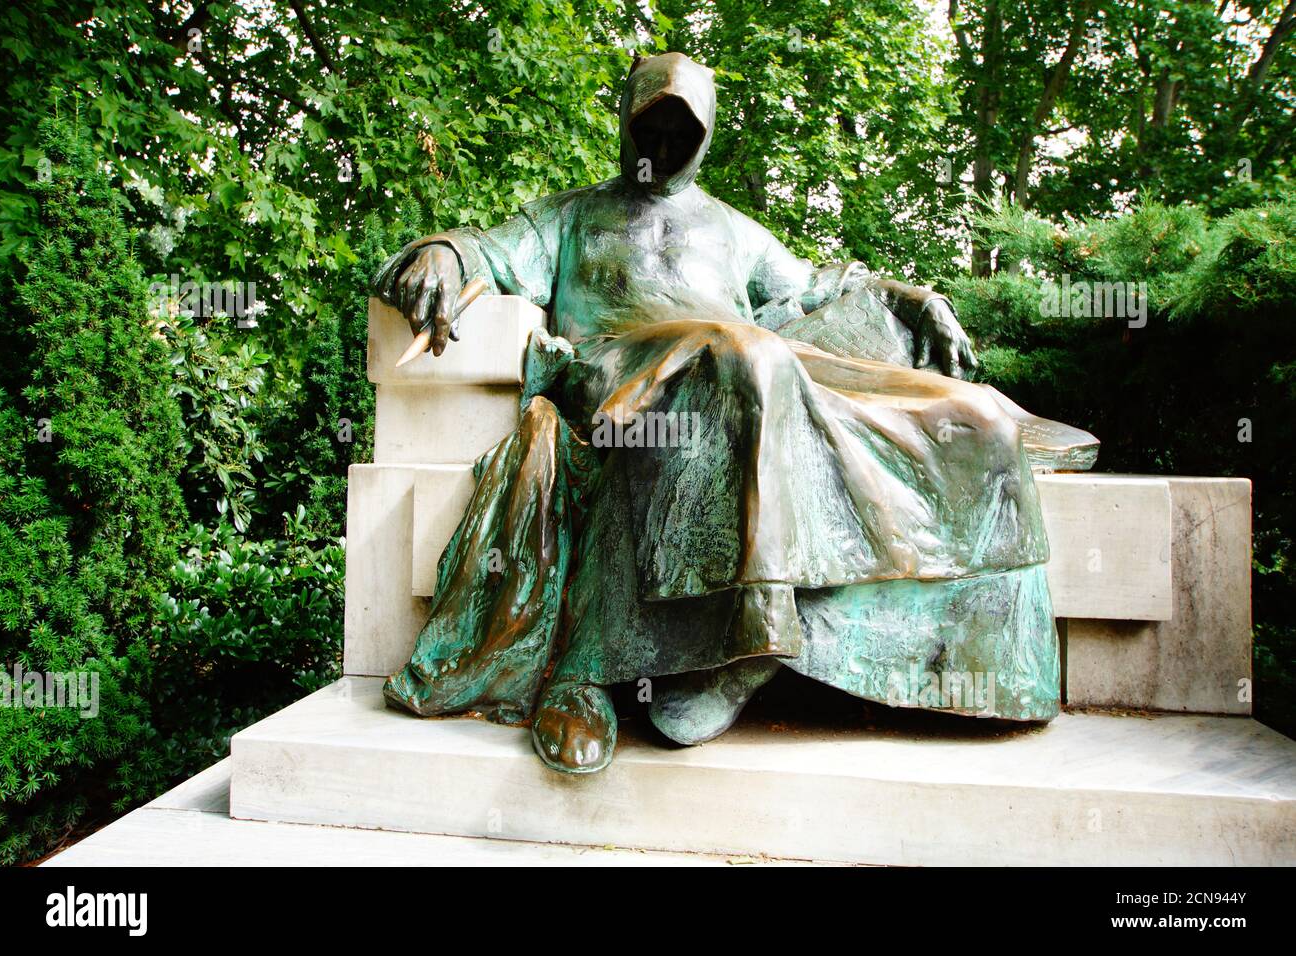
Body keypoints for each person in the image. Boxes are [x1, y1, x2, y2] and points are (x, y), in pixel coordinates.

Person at [373, 52, 1079, 773]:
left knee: (975, 416)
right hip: (617, 375)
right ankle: (740, 637)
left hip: (740, 378)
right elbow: (487, 249)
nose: (666, 146)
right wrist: (441, 255)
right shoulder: (573, 214)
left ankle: (984, 672)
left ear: (707, 137)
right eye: (653, 125)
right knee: (748, 350)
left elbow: (814, 286)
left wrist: (909, 298)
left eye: (686, 131)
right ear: (627, 123)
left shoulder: (731, 230)